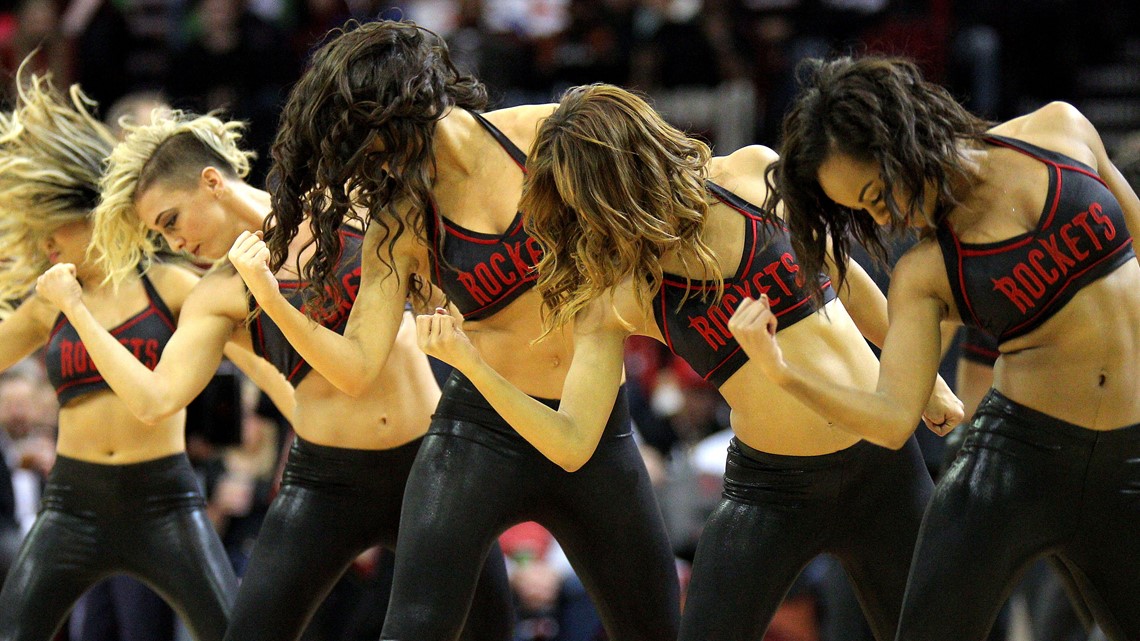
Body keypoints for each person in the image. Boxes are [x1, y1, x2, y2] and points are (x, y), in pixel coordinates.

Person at [413, 83, 955, 641]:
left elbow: (844, 277)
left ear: (621, 178)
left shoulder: (752, 174)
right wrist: (470, 366)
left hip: (883, 465)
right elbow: (572, 443)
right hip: (771, 494)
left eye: (582, 203)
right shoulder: (618, 295)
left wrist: (928, 381)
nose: (580, 223)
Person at [227, 19, 680, 641]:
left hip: (592, 421)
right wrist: (273, 301)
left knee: (658, 628)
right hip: (479, 433)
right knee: (414, 626)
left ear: (397, 121)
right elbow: (358, 364)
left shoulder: (545, 135)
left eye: (368, 148)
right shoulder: (402, 221)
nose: (368, 170)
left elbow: (677, 191)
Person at [47, 109, 513, 641]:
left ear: (211, 182)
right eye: (161, 233)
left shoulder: (344, 207)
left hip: (433, 461)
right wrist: (78, 312)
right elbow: (156, 400)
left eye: (172, 220)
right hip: (327, 480)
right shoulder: (218, 295)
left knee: (492, 629)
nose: (173, 243)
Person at [732, 55, 1140, 641]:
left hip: (1128, 456)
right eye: (867, 211)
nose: (888, 216)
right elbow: (895, 417)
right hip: (1016, 467)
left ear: (904, 131)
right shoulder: (925, 272)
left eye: (878, 192)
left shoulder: (1059, 130)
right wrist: (782, 371)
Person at [0, 69, 238, 641]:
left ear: (91, 213)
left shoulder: (171, 286)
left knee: (232, 628)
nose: (45, 243)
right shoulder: (47, 300)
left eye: (52, 226)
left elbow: (253, 366)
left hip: (165, 500)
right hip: (72, 503)